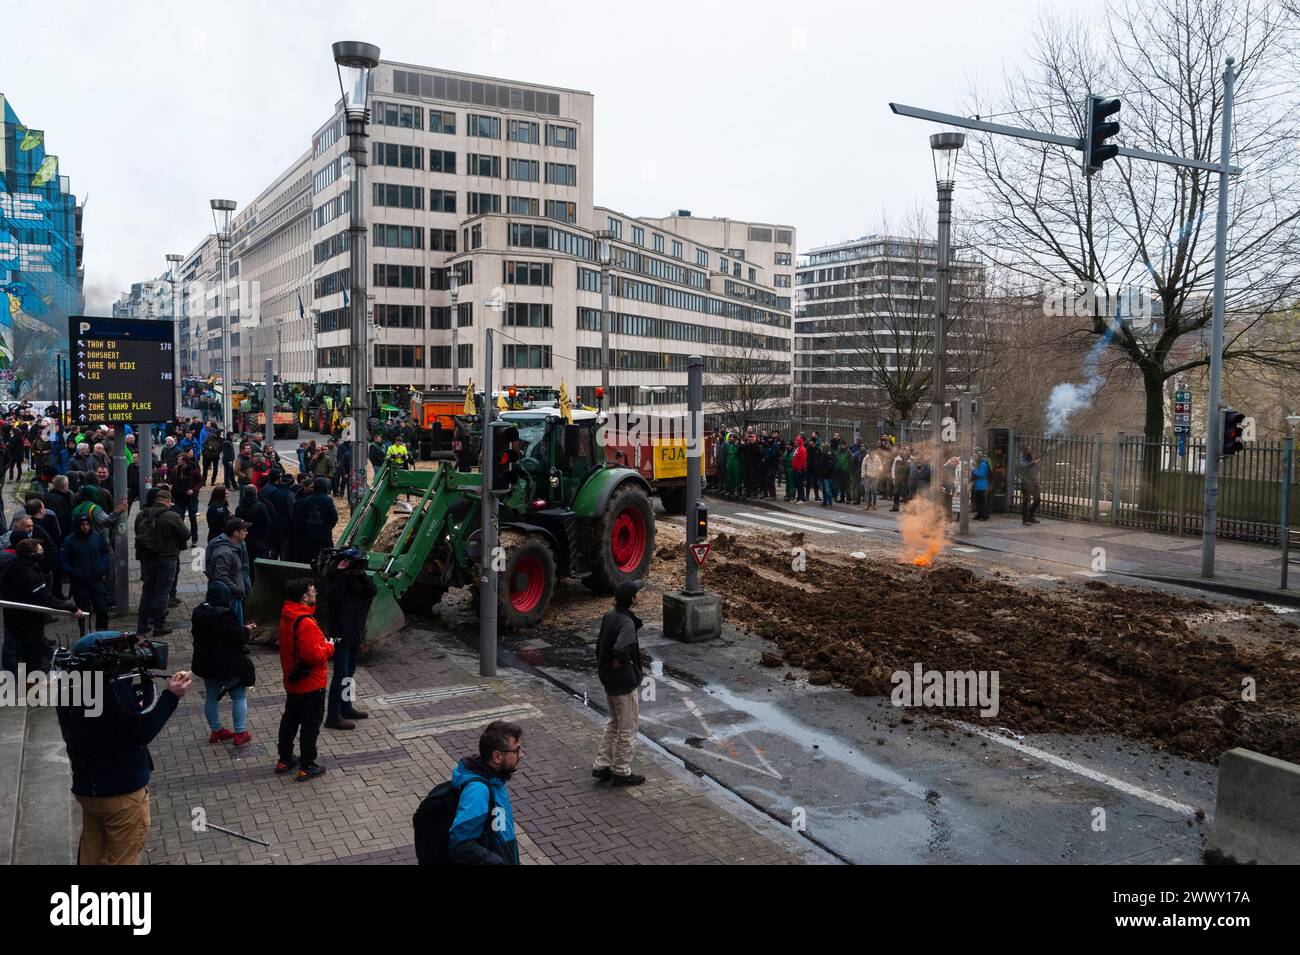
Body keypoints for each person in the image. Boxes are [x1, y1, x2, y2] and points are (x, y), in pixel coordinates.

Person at [56, 642, 191, 865]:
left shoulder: (69, 691)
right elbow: (140, 732)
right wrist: (171, 696)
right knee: (124, 857)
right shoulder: (112, 697)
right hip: (122, 794)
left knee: (92, 852)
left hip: (88, 790)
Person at [275, 578, 334, 781]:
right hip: (311, 684)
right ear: (304, 597)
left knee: (290, 720)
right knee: (310, 725)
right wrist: (329, 646)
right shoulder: (306, 622)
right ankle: (307, 766)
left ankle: (284, 759)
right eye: (312, 591)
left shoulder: (287, 616)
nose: (316, 592)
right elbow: (314, 655)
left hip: (293, 681)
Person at [1, 538, 85, 670]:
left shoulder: (12, 567)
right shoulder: (28, 574)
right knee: (39, 656)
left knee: (26, 654)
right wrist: (71, 608)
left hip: (14, 619)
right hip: (27, 620)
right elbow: (45, 599)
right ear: (32, 555)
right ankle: (33, 685)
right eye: (40, 551)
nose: (43, 553)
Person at [447, 720, 523, 865]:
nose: (521, 755)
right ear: (497, 756)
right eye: (516, 750)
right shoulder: (478, 791)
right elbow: (461, 845)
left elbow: (500, 832)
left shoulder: (496, 781)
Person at [592, 580, 645, 786]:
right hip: (623, 683)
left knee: (613, 722)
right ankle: (621, 771)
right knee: (628, 727)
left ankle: (601, 765)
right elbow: (621, 648)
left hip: (609, 681)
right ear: (632, 599)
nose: (639, 596)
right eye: (637, 594)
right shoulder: (627, 623)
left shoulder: (610, 615)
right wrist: (621, 662)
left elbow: (600, 645)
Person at [191, 580, 256, 748]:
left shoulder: (199, 612)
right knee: (239, 697)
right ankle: (240, 733)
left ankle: (216, 731)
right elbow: (237, 637)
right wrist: (246, 630)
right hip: (226, 665)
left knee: (211, 697)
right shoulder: (224, 615)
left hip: (206, 663)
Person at [324, 548, 378, 730]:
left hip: (355, 632)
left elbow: (372, 591)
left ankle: (346, 707)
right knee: (340, 674)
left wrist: (361, 575)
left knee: (350, 672)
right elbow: (332, 598)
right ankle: (333, 715)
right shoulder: (334, 577)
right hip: (341, 634)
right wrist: (341, 574)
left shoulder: (357, 578)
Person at [134, 488, 191, 638]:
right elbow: (186, 534)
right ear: (167, 501)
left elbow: (137, 533)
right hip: (167, 558)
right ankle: (159, 626)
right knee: (162, 591)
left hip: (147, 558)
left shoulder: (141, 515)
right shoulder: (172, 515)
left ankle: (142, 625)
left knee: (147, 590)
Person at [60, 513, 111, 631]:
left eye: (88, 524)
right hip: (80, 583)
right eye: (82, 525)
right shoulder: (69, 541)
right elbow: (63, 561)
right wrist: (75, 573)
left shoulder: (96, 536)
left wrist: (103, 567)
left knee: (102, 609)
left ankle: (102, 633)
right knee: (84, 612)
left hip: (96, 580)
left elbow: (105, 552)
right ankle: (85, 635)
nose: (86, 527)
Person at [206, 518, 250, 625]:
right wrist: (238, 589)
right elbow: (220, 577)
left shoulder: (238, 545)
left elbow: (243, 569)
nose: (247, 533)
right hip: (231, 597)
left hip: (234, 595)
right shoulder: (225, 552)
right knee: (232, 627)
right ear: (235, 533)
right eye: (244, 530)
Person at [291, 477, 338, 562]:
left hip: (310, 534)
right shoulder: (327, 500)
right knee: (326, 558)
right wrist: (328, 527)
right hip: (324, 535)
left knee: (312, 558)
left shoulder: (307, 500)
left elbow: (301, 518)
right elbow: (334, 517)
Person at [235, 484, 272, 582]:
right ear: (255, 494)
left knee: (247, 565)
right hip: (260, 541)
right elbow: (267, 523)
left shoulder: (239, 508)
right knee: (261, 566)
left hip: (245, 541)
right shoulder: (260, 506)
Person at [1020, 446, 1042, 525]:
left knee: (1038, 499)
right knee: (1026, 501)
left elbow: (1032, 472)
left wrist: (1036, 481)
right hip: (1026, 483)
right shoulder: (1022, 459)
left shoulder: (1031, 459)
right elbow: (1024, 466)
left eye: (1031, 450)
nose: (1031, 451)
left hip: (1033, 482)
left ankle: (1031, 516)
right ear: (1025, 451)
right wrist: (1034, 463)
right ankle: (1024, 520)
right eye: (1029, 450)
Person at [972, 450, 991, 520]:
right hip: (979, 485)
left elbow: (981, 474)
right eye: (974, 456)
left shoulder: (982, 464)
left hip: (982, 485)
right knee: (978, 500)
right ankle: (979, 514)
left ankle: (984, 515)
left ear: (979, 456)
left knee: (982, 501)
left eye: (976, 456)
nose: (974, 457)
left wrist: (973, 470)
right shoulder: (979, 463)